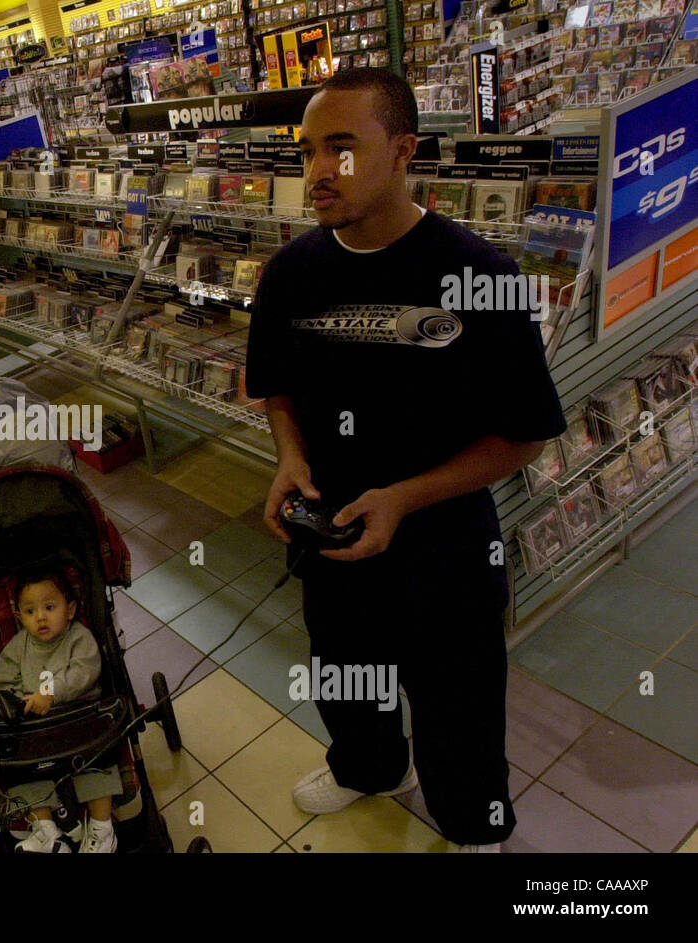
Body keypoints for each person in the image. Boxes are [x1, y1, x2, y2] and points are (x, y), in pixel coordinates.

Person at [245, 68, 566, 852]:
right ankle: (370, 766)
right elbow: (277, 387)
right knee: (345, 678)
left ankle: (470, 822)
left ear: (403, 151)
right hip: (332, 537)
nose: (319, 170)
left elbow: (524, 432)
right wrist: (289, 459)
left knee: (458, 703)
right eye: (311, 151)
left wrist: (406, 497)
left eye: (343, 148)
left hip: (446, 546)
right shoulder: (290, 273)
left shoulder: (481, 276)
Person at [0, 568, 121, 853]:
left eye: (50, 608)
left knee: (96, 759)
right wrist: (17, 702)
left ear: (70, 609)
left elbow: (85, 671)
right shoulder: (16, 649)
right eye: (30, 611)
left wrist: (50, 692)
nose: (40, 617)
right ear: (19, 616)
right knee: (20, 768)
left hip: (81, 717)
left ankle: (102, 830)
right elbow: (4, 682)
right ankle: (46, 832)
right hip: (37, 727)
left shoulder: (79, 639)